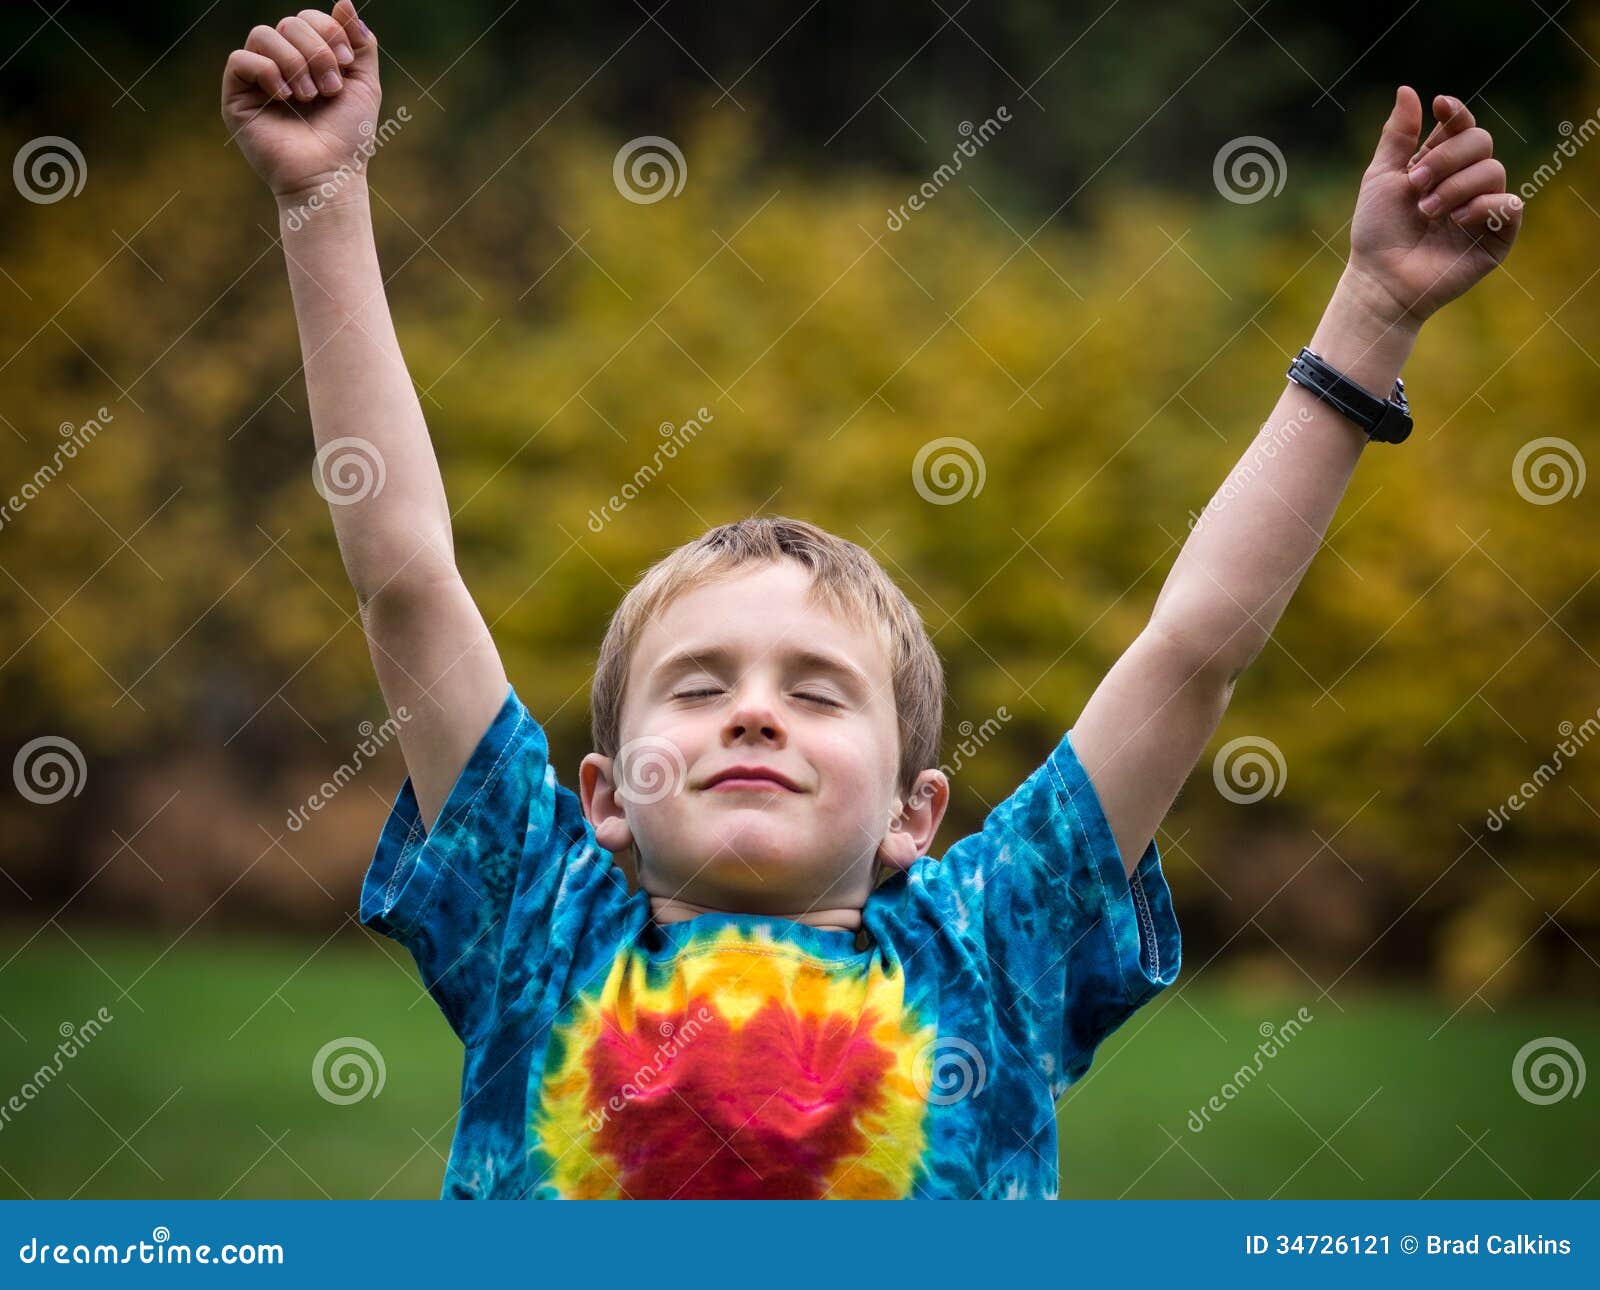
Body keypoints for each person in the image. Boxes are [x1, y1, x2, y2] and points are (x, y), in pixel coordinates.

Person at [221, 0, 1523, 1198]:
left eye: (817, 690)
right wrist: (324, 194)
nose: (753, 714)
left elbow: (1191, 652)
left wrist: (1371, 317)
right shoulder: (539, 919)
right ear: (606, 796)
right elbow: (405, 578)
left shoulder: (989, 948)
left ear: (918, 812)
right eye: (699, 682)